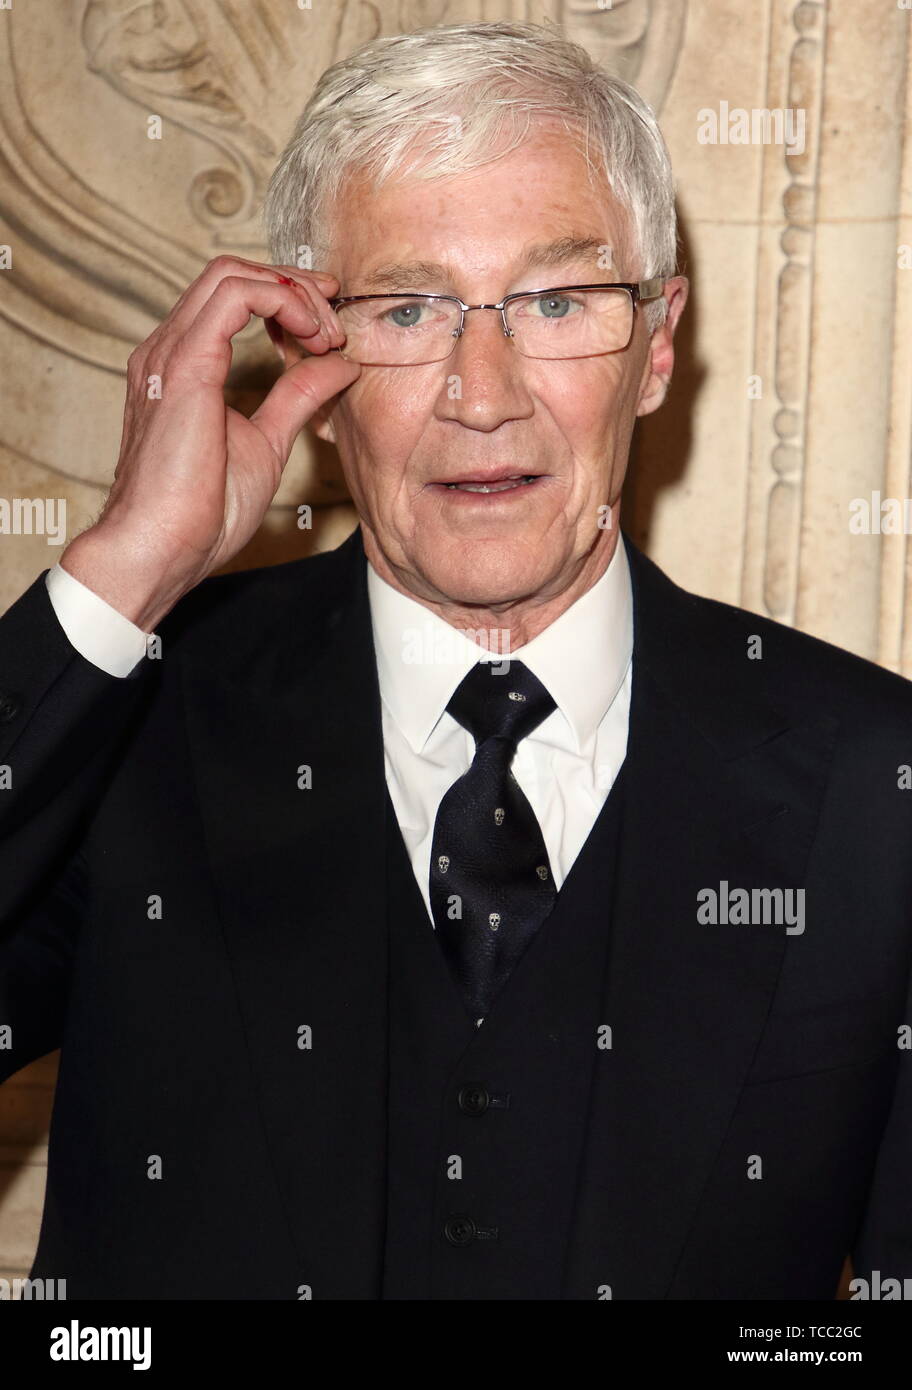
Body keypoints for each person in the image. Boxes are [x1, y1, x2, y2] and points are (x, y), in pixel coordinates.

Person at [1, 19, 910, 1301]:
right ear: (312, 354)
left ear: (656, 345)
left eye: (554, 301)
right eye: (408, 308)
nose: (482, 393)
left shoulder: (877, 785)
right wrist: (123, 571)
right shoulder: (127, 717)